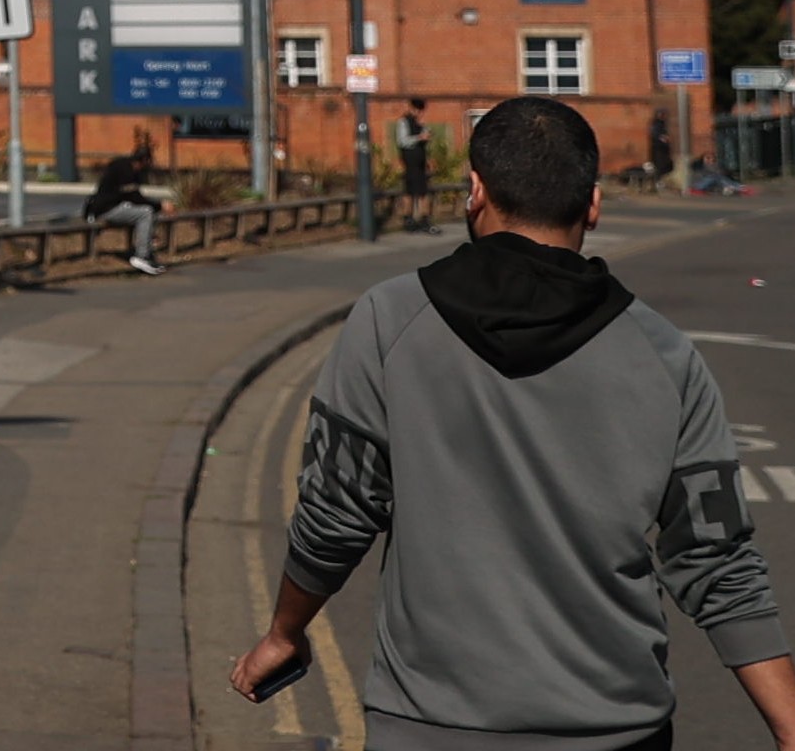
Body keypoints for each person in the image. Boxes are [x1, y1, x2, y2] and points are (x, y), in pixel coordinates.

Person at [232, 95, 795, 748]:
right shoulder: (664, 352)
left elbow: (336, 510)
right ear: (592, 204)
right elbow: (716, 555)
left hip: (430, 725)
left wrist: (284, 633)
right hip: (616, 727)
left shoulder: (389, 321)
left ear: (474, 191)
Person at [86, 137, 165, 275]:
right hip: (105, 209)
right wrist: (160, 205)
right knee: (146, 213)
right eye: (148, 162)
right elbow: (134, 197)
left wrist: (157, 207)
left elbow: (134, 197)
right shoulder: (124, 169)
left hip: (117, 206)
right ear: (144, 160)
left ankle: (148, 251)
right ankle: (142, 256)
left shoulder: (132, 170)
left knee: (147, 211)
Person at [398, 100, 436, 212]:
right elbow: (403, 141)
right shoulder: (403, 122)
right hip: (410, 162)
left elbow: (425, 142)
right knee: (409, 191)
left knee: (423, 191)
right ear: (412, 109)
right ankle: (408, 216)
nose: (419, 114)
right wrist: (419, 137)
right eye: (418, 111)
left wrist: (425, 131)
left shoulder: (420, 123)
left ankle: (423, 216)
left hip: (421, 162)